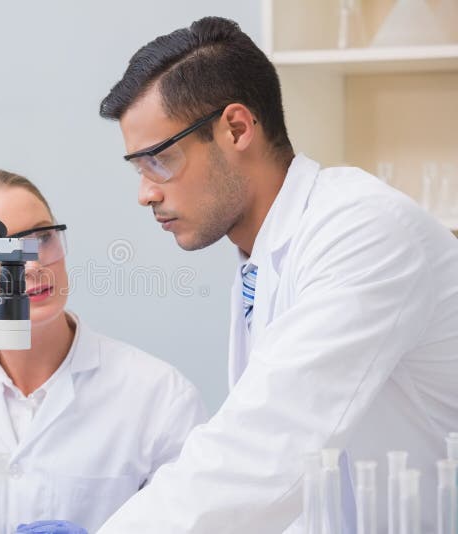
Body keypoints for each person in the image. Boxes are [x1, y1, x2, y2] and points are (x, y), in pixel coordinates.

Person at [87, 16, 458, 533]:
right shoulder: (261, 259)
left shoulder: (363, 230)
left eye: (161, 160)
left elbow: (262, 457)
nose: (145, 193)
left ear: (237, 128)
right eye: (139, 168)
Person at [0, 170, 207, 533]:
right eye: (0, 251)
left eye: (42, 237)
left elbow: (200, 520)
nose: (33, 264)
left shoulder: (161, 397)